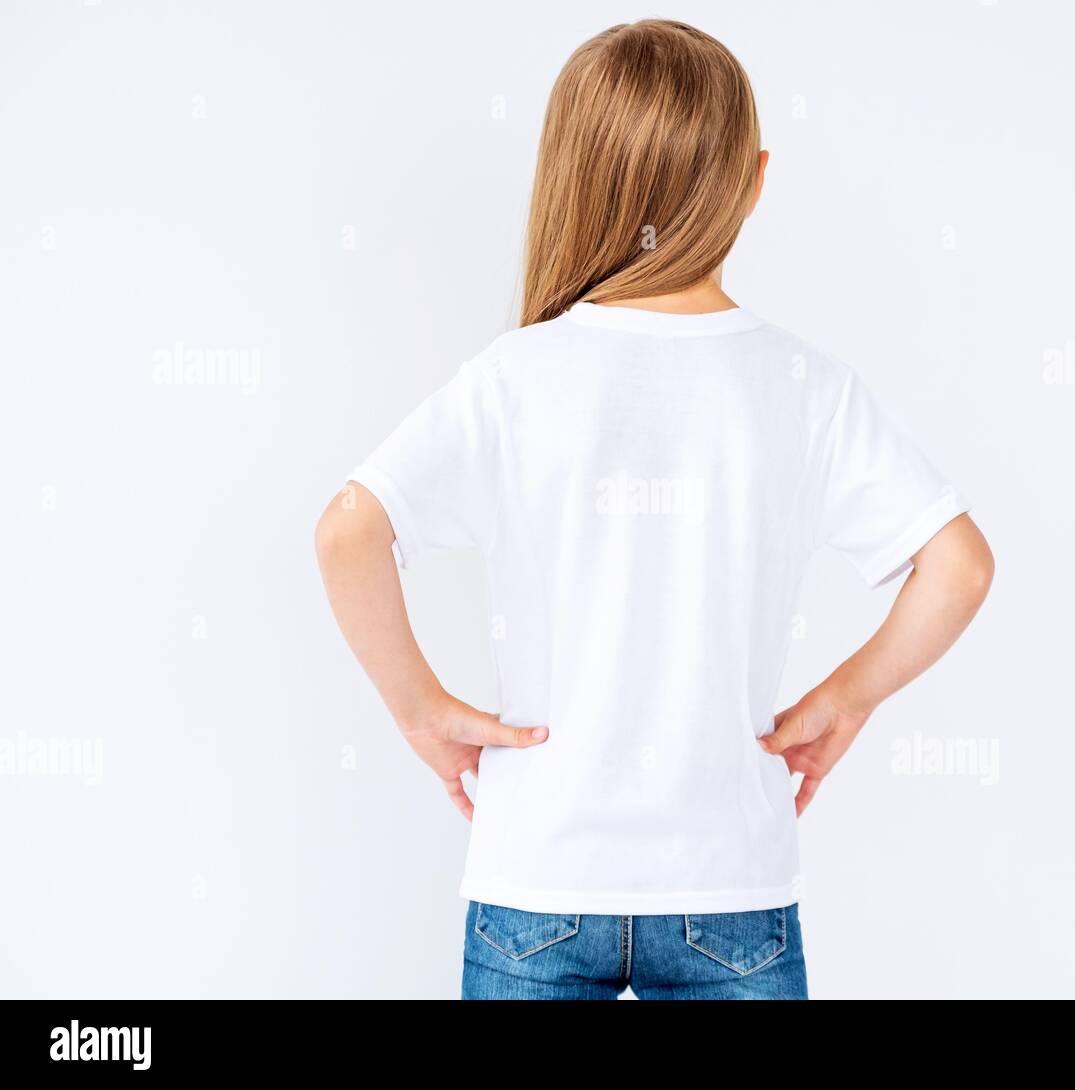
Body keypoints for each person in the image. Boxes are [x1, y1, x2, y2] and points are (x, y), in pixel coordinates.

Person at [315, 18, 994, 1001]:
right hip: (731, 883)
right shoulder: (802, 384)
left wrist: (419, 708)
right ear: (754, 179)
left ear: (571, 177)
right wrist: (844, 699)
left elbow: (348, 528)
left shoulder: (517, 377)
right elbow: (960, 564)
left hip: (535, 879)